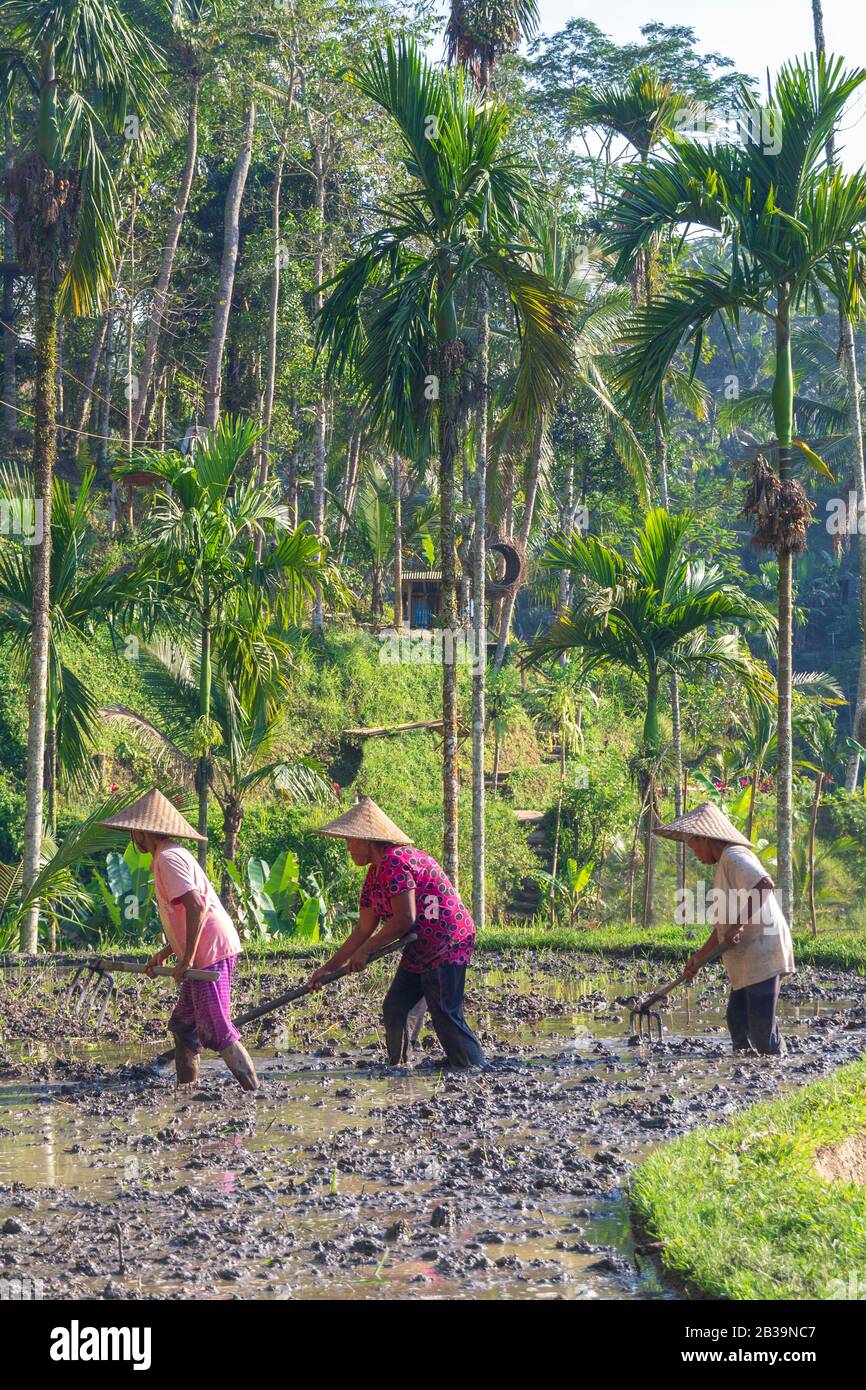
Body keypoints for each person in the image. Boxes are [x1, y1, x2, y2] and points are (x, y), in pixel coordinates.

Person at [308, 797, 484, 1068]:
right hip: (419, 947)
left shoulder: (395, 862)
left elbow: (404, 919)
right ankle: (398, 1066)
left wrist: (366, 951)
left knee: (446, 1012)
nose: (348, 848)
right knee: (396, 1007)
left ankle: (474, 1069)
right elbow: (364, 928)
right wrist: (330, 968)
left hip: (447, 940)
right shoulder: (373, 875)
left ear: (368, 840)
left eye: (350, 841)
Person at [100, 789, 258, 1090]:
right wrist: (165, 953)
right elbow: (185, 916)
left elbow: (197, 907)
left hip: (210, 951)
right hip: (203, 949)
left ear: (142, 831)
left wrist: (185, 960)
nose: (133, 837)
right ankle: (186, 1090)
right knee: (184, 1027)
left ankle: (254, 1096)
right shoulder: (167, 855)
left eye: (134, 831)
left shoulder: (168, 859)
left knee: (217, 1029)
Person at [655, 801, 795, 1056]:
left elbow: (764, 884)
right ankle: (747, 1072)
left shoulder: (734, 856)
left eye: (693, 845)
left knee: (761, 1028)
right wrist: (698, 958)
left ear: (705, 838)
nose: (694, 854)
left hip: (763, 949)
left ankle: (778, 1071)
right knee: (737, 1020)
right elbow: (722, 928)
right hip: (749, 954)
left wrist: (738, 925)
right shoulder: (724, 865)